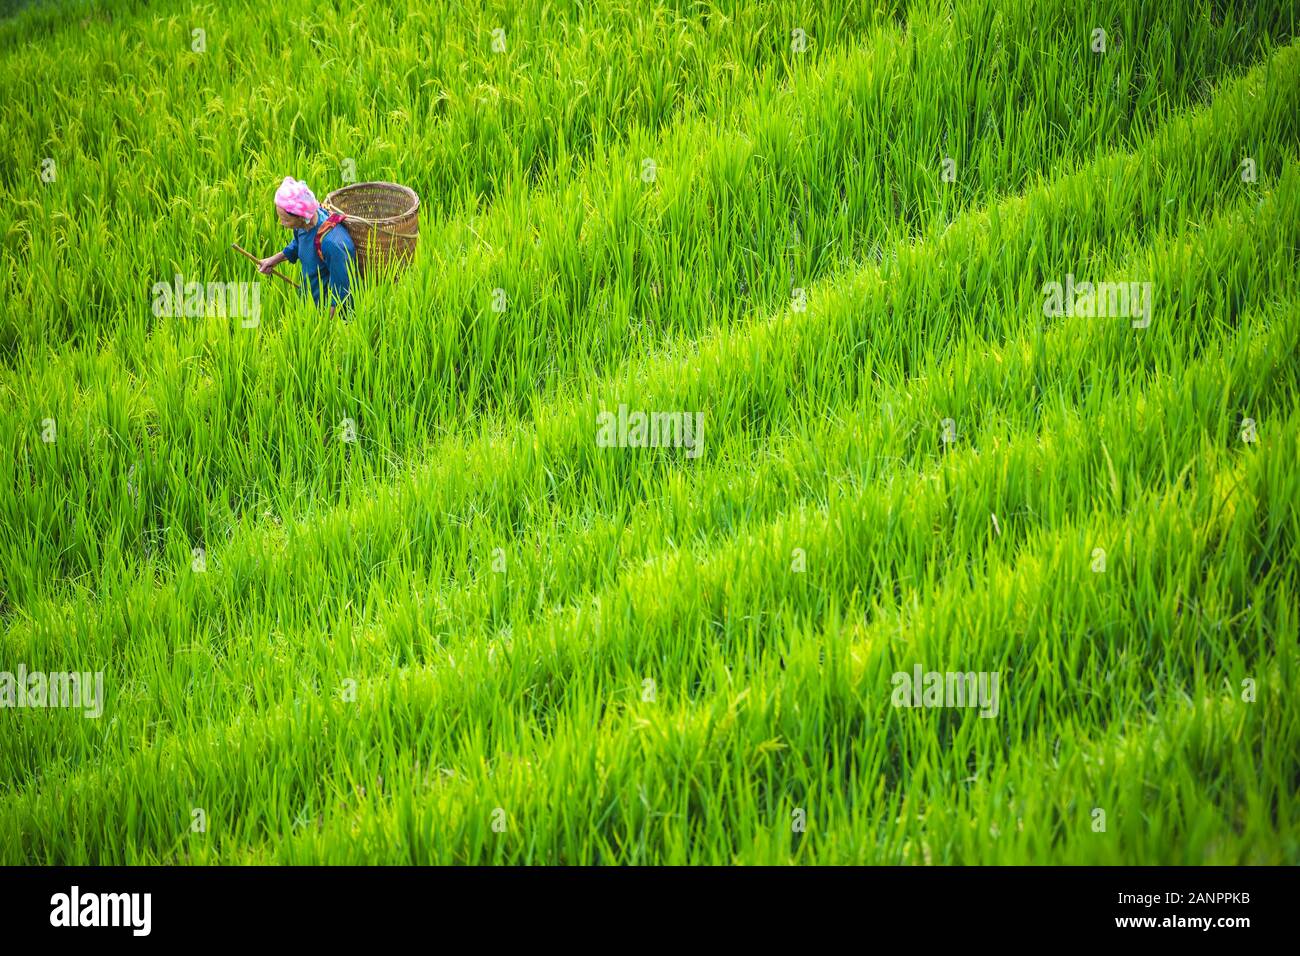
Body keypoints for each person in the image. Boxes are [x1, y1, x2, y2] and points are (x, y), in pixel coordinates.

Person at [258, 177, 356, 317]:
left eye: (285, 219)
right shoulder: (304, 225)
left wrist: (323, 326)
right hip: (311, 302)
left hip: (332, 314)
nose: (281, 223)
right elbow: (298, 245)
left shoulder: (332, 243)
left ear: (301, 216)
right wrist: (273, 260)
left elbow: (341, 291)